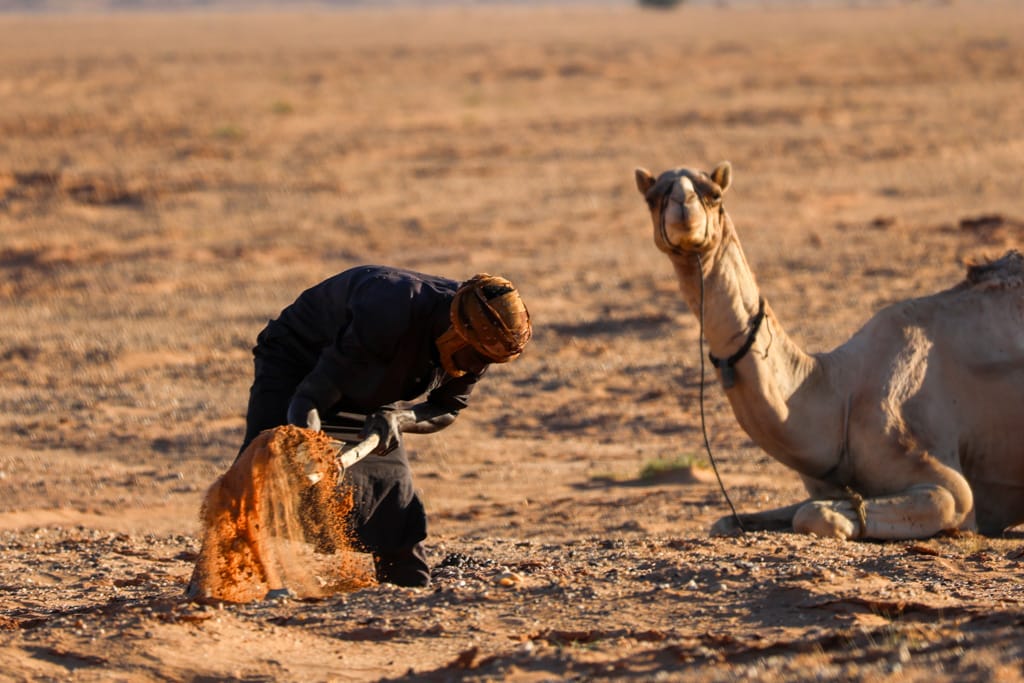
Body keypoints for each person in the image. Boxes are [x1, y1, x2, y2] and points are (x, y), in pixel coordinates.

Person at [238, 265, 532, 587]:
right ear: (453, 327)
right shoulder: (388, 309)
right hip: (300, 368)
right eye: (474, 356)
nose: (476, 368)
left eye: (487, 361)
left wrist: (400, 417)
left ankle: (405, 595)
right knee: (259, 474)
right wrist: (310, 449)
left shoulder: (483, 340)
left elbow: (446, 408)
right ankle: (219, 584)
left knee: (395, 499)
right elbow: (308, 400)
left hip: (374, 388)